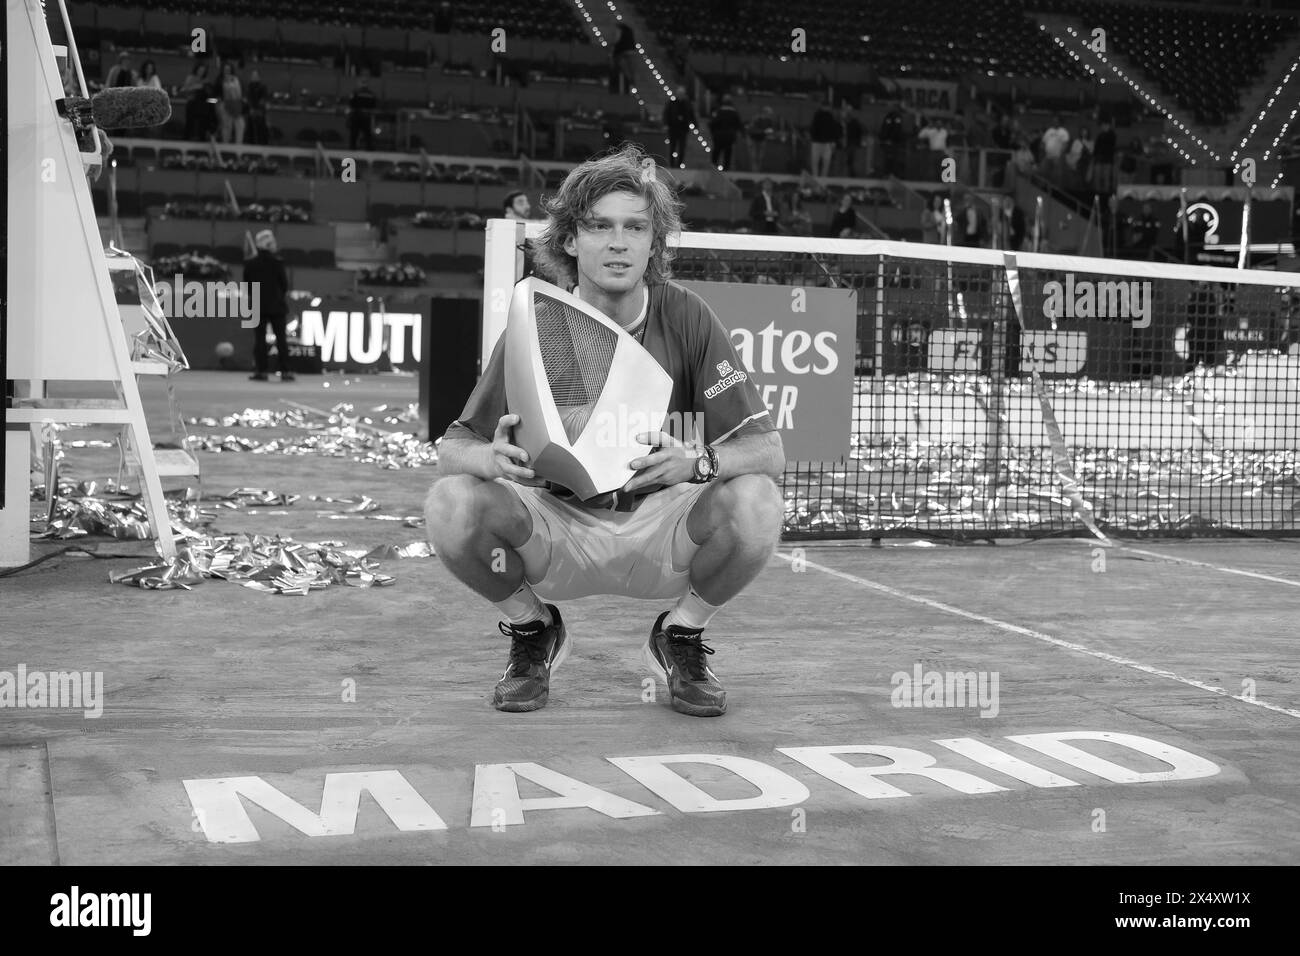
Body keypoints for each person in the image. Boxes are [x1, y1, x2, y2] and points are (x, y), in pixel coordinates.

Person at [424, 143, 785, 718]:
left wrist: (699, 466)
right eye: (599, 226)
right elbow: (451, 449)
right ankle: (534, 629)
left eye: (635, 227)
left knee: (758, 501)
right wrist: (489, 462)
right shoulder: (537, 325)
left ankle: (681, 637)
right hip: (555, 529)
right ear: (570, 240)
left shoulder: (687, 315)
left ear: (653, 242)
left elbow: (768, 450)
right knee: (451, 503)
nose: (618, 242)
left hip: (663, 530)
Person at [244, 230, 294, 382]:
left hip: (258, 305)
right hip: (277, 306)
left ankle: (261, 371)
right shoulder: (278, 262)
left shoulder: (251, 263)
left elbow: (248, 285)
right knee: (281, 339)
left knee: (260, 340)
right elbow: (284, 285)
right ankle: (285, 371)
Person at [708, 95, 743, 171]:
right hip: (729, 136)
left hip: (719, 135)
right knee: (728, 154)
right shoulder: (734, 112)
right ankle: (726, 169)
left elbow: (713, 123)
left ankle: (713, 168)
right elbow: (739, 124)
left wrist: (713, 133)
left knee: (716, 152)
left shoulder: (719, 111)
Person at [662, 86, 696, 168]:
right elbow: (666, 113)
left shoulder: (687, 104)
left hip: (683, 129)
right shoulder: (671, 102)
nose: (680, 95)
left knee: (682, 149)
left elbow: (691, 115)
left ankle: (679, 165)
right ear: (677, 94)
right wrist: (666, 124)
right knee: (672, 148)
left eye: (682, 94)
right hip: (673, 128)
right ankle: (672, 165)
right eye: (679, 93)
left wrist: (695, 124)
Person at [181, 63, 214, 141]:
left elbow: (210, 94)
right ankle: (186, 139)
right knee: (190, 123)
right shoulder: (190, 78)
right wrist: (197, 86)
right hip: (192, 103)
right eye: (200, 70)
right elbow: (184, 90)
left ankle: (202, 138)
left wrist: (202, 87)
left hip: (203, 105)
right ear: (196, 70)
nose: (201, 72)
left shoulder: (206, 80)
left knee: (203, 123)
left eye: (203, 70)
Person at [809, 99, 840, 178]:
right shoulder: (830, 117)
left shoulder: (817, 115)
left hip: (818, 142)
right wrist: (833, 141)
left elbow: (813, 129)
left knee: (816, 162)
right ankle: (822, 179)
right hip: (825, 142)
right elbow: (834, 130)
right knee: (825, 163)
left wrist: (812, 137)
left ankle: (817, 178)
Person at [217, 62, 245, 144]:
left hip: (237, 105)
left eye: (228, 69)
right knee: (227, 126)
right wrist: (217, 102)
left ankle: (238, 145)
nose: (227, 71)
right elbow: (212, 98)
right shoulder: (219, 80)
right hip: (224, 105)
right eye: (225, 69)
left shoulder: (238, 80)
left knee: (240, 125)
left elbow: (243, 93)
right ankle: (226, 144)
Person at [348, 77, 378, 151]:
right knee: (367, 133)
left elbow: (351, 103)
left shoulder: (355, 92)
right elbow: (374, 105)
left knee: (354, 133)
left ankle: (353, 148)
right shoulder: (371, 94)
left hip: (357, 115)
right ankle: (369, 148)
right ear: (367, 85)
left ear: (360, 84)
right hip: (366, 116)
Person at [877, 105, 906, 177]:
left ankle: (893, 173)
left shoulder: (896, 117)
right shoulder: (888, 116)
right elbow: (884, 128)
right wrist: (883, 138)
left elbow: (897, 129)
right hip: (887, 142)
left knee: (893, 158)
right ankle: (887, 173)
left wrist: (891, 139)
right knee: (887, 157)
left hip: (894, 142)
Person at [1040, 115, 1070, 184]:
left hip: (1057, 157)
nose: (1055, 122)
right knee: (1043, 172)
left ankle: (1055, 191)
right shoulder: (1049, 131)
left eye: (1056, 121)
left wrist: (1061, 155)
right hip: (1047, 156)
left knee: (1056, 176)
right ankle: (1044, 188)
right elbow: (1043, 142)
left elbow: (1065, 144)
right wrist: (1043, 151)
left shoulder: (1063, 132)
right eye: (1054, 120)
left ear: (1060, 122)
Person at [747, 105, 777, 172]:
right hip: (753, 138)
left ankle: (758, 170)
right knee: (753, 156)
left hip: (762, 139)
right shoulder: (756, 118)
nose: (770, 115)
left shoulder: (769, 120)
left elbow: (771, 130)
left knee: (761, 157)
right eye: (769, 114)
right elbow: (751, 130)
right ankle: (754, 170)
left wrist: (770, 134)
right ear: (765, 113)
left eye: (770, 114)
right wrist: (763, 131)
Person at [1092, 117, 1117, 195]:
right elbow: (1096, 148)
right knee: (1097, 178)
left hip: (1108, 161)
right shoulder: (1100, 135)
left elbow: (1111, 145)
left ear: (1108, 125)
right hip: (1098, 160)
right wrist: (1094, 157)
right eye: (1102, 125)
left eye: (1104, 125)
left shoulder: (1112, 135)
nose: (1103, 127)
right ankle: (1097, 194)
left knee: (1106, 178)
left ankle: (1105, 195)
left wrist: (1110, 127)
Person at [245, 69, 270, 145]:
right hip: (251, 113)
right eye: (253, 75)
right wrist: (251, 108)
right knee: (250, 131)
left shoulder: (263, 87)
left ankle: (261, 145)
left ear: (259, 77)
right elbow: (248, 99)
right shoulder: (249, 87)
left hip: (260, 113)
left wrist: (258, 108)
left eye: (256, 76)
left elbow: (264, 99)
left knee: (261, 132)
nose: (254, 77)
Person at [610, 24, 636, 94]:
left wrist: (611, 44)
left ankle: (624, 79)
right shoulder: (629, 31)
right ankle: (631, 80)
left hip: (622, 50)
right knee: (630, 67)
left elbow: (616, 39)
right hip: (631, 50)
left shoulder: (619, 30)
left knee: (619, 65)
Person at [840, 103, 864, 178]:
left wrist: (858, 142)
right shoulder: (843, 122)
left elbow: (859, 132)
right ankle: (848, 175)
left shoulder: (854, 122)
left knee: (851, 161)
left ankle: (852, 176)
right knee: (847, 161)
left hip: (851, 144)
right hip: (846, 144)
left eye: (849, 111)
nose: (847, 113)